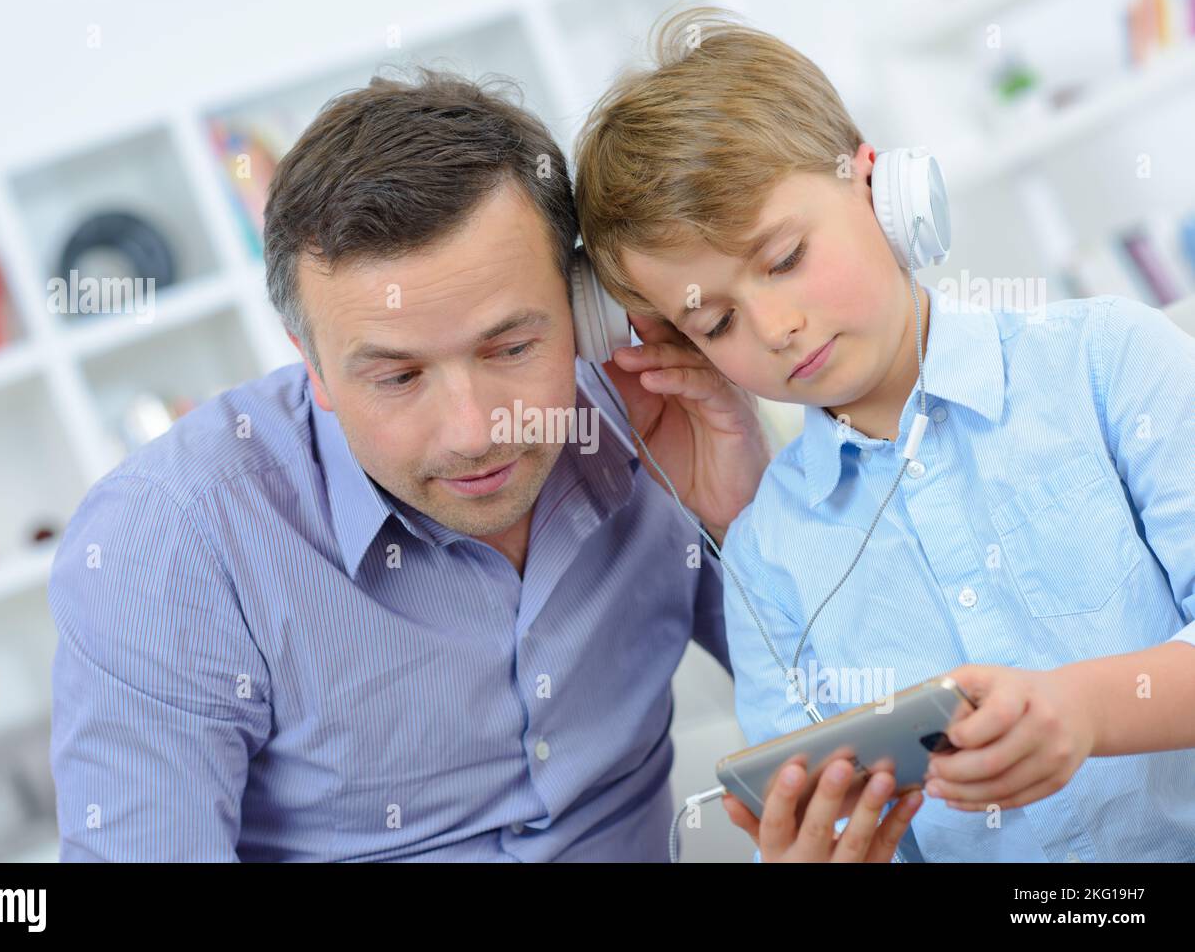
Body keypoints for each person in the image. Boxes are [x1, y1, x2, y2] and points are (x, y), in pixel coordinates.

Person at [49, 67, 786, 861]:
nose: (473, 431)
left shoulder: (660, 417)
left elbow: (848, 712)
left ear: (585, 309)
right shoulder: (169, 542)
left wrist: (739, 521)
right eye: (398, 377)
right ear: (314, 367)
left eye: (511, 346)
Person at [574, 8, 1195, 861]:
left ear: (879, 187)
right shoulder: (769, 557)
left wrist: (1087, 708)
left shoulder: (1108, 363)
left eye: (785, 257)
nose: (777, 325)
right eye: (716, 321)